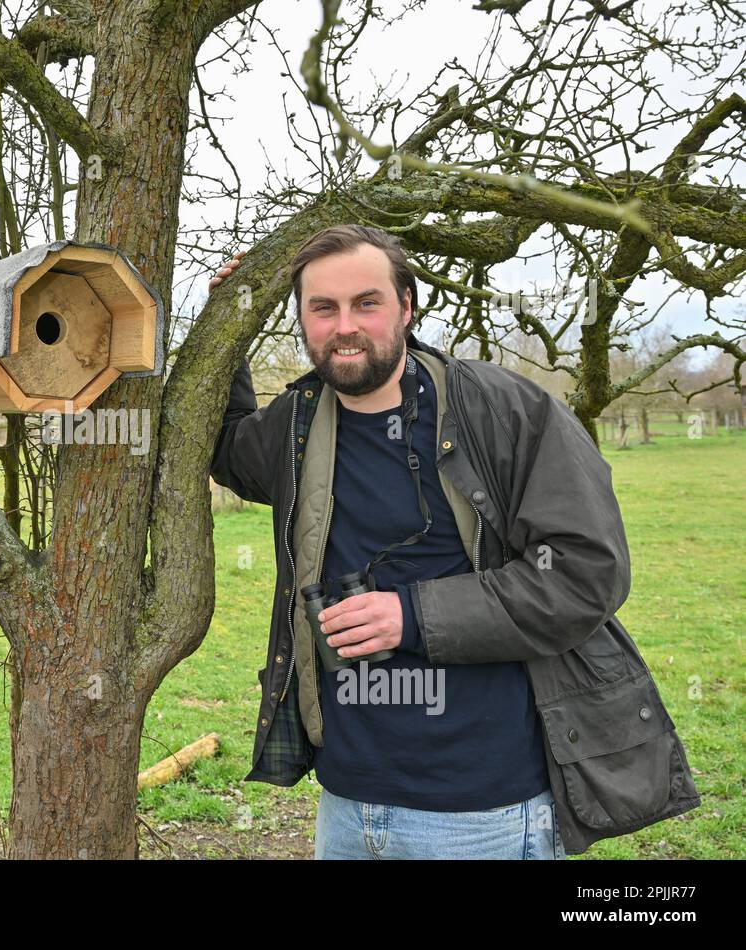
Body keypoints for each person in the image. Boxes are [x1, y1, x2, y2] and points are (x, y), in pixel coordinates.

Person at [209, 226, 699, 858]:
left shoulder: (504, 412)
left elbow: (584, 573)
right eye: (322, 308)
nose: (345, 326)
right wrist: (229, 325)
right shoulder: (298, 426)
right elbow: (224, 445)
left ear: (407, 307)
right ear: (301, 318)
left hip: (483, 811)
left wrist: (411, 615)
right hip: (347, 800)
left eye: (367, 303)